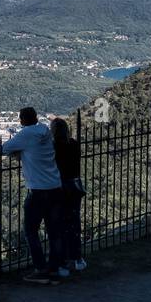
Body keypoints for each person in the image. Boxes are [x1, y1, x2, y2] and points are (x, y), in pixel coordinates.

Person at [0, 107, 65, 284]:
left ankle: (40, 270)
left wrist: (19, 153)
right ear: (36, 117)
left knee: (31, 231)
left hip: (38, 190)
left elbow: (5, 148)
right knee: (54, 231)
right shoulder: (44, 130)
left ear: (21, 120)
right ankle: (54, 268)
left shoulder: (26, 134)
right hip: (55, 186)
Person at [50, 117, 87, 273]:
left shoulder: (53, 147)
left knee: (59, 225)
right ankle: (77, 258)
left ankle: (63, 261)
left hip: (60, 186)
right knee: (74, 223)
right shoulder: (74, 144)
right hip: (75, 185)